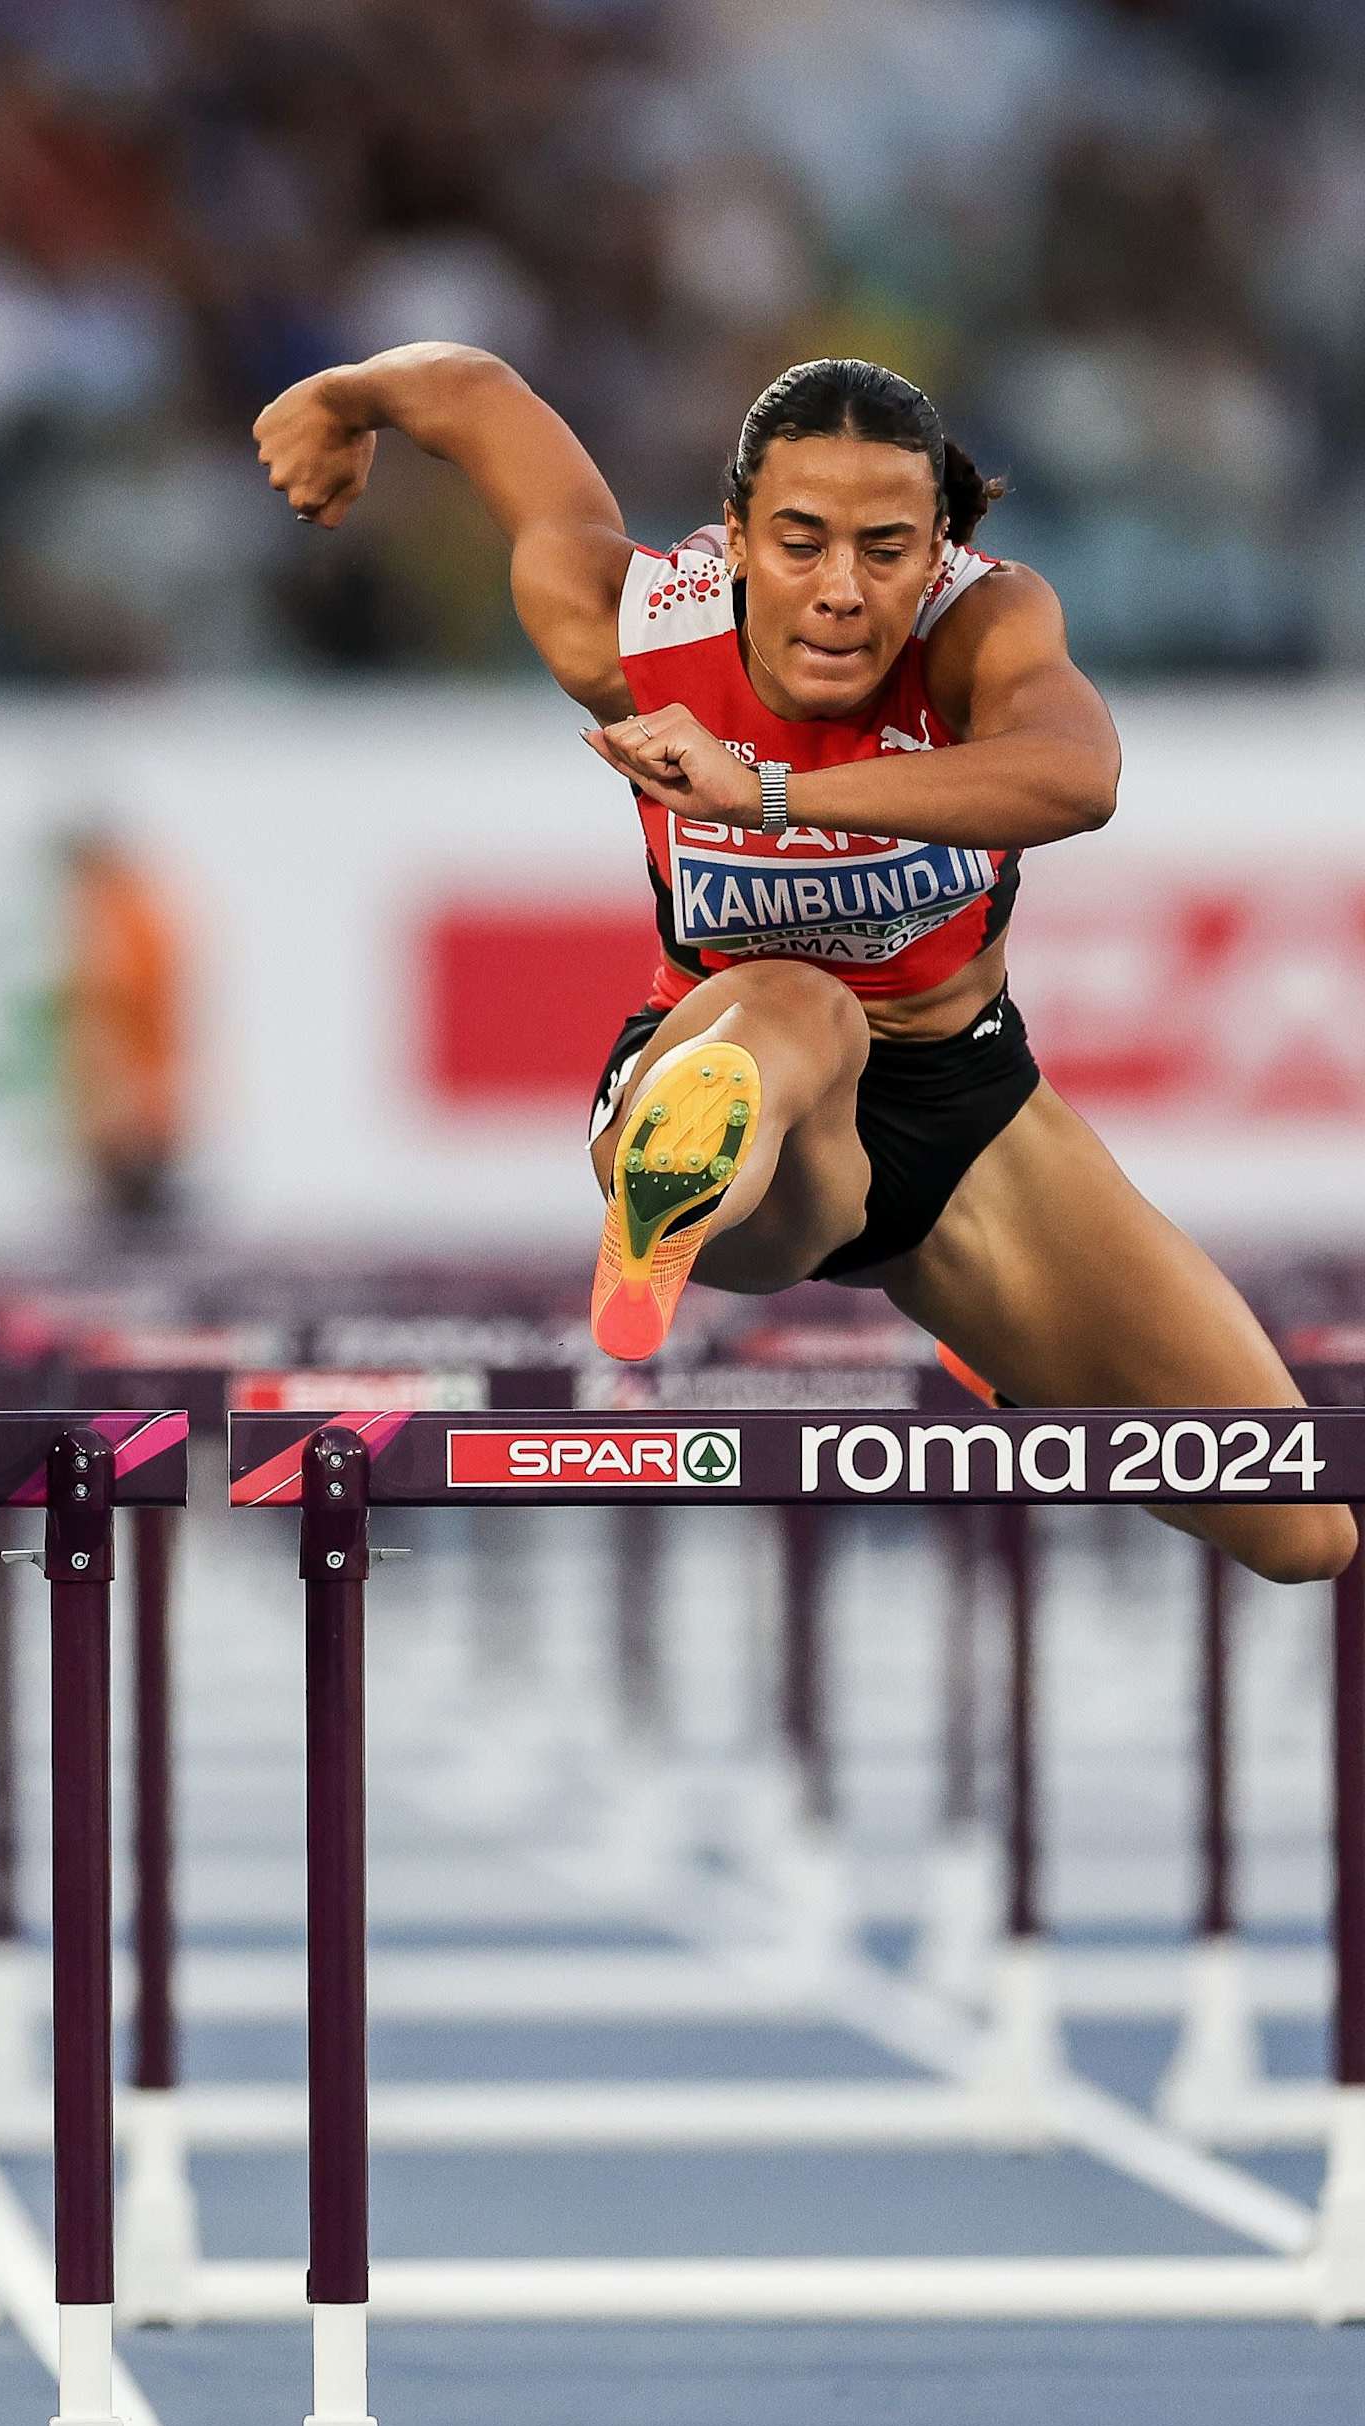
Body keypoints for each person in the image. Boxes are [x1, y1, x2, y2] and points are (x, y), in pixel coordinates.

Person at [254, 346, 1350, 1585]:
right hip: (747, 1078)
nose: (842, 591)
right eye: (800, 542)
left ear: (937, 553)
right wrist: (339, 400)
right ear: (731, 541)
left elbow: (1079, 779)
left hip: (968, 1112)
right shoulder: (625, 621)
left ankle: (1015, 1367)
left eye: (886, 551)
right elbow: (471, 393)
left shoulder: (986, 627)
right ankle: (667, 1187)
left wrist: (771, 793)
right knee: (803, 1006)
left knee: (1301, 1525)